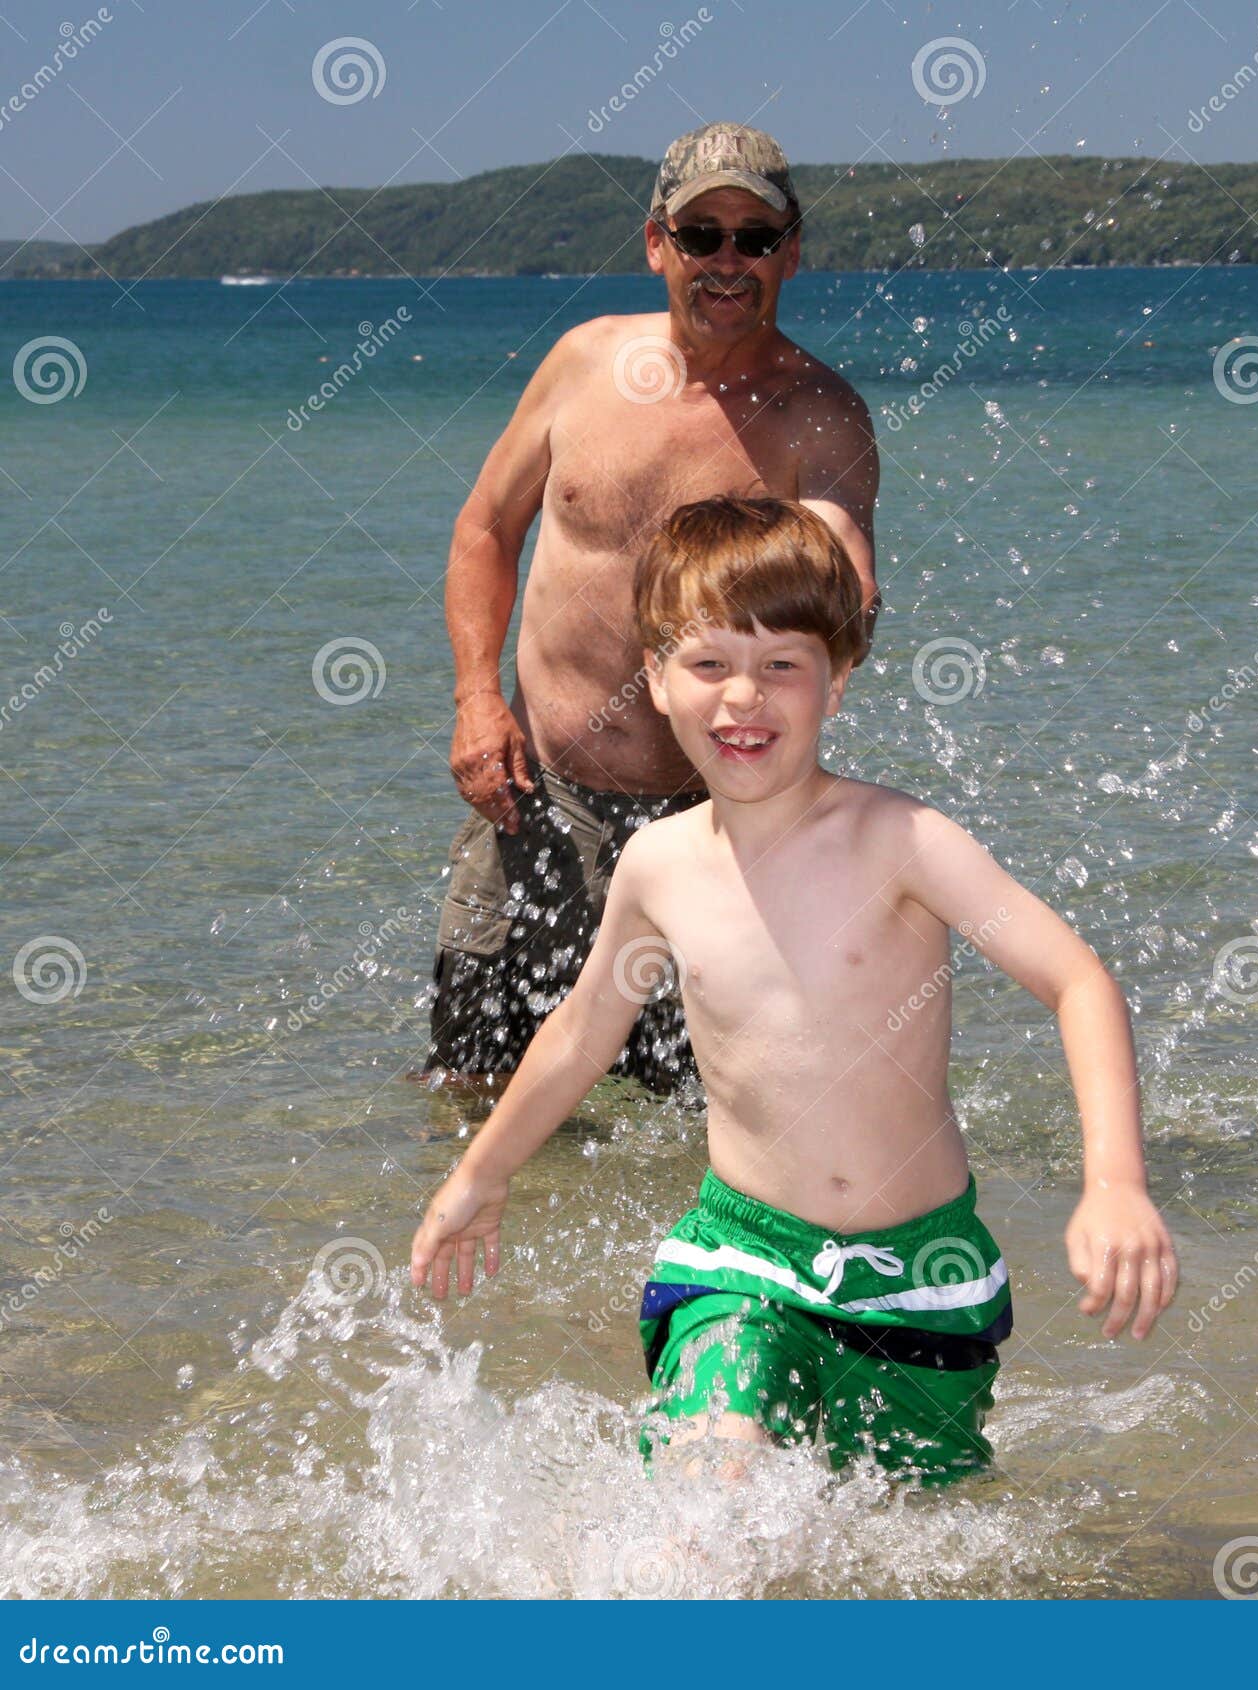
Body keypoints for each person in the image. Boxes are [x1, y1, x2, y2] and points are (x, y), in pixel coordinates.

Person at [410, 498, 1178, 1486]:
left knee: (913, 1539)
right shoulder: (659, 866)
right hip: (741, 1257)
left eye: (783, 666)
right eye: (708, 664)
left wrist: (1114, 1184)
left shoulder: (901, 843)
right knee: (710, 1498)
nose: (744, 698)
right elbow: (580, 1032)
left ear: (838, 679)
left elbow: (1076, 980)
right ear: (652, 678)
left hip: (923, 1272)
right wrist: (480, 1174)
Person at [426, 122, 879, 1096]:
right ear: (654, 244)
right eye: (700, 234)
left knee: (696, 1113)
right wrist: (475, 697)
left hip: (714, 825)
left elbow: (846, 581)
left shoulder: (819, 413)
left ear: (790, 252)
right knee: (467, 1089)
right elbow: (483, 532)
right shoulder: (583, 364)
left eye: (753, 238)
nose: (726, 262)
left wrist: (842, 597)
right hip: (533, 800)